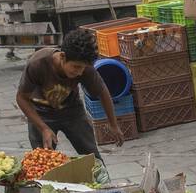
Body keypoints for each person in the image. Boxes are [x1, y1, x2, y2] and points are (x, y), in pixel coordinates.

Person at [15, 28, 123, 160]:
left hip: (72, 111)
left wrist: (113, 124)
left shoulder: (85, 69)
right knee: (42, 161)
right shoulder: (38, 63)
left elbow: (103, 92)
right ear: (62, 56)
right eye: (76, 67)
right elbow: (21, 98)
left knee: (91, 156)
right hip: (41, 114)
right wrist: (43, 128)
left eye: (83, 68)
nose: (79, 73)